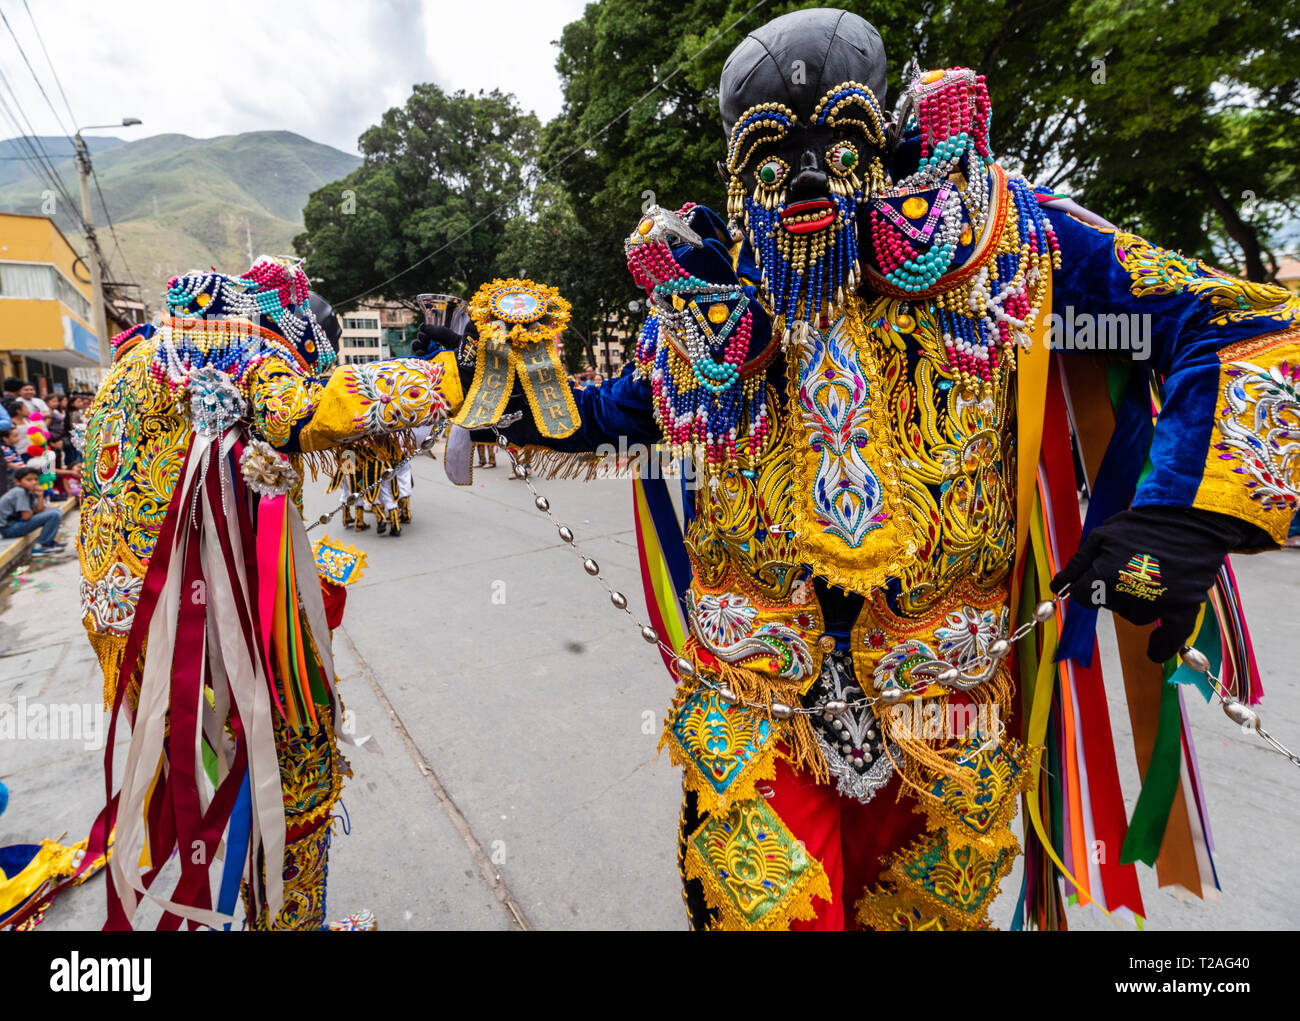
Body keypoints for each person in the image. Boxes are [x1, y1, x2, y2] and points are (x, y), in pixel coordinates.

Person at [417, 8, 1300, 930]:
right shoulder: (709, 298)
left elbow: (1240, 320)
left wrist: (1180, 513)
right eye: (768, 161)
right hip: (753, 689)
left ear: (882, 138)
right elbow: (615, 415)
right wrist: (490, 399)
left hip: (942, 694)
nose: (801, 180)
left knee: (919, 918)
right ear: (735, 170)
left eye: (837, 149)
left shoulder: (1001, 238)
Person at [58, 256, 466, 932]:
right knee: (298, 764)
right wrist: (452, 375)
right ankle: (292, 922)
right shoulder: (245, 348)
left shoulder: (139, 355)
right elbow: (306, 409)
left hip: (129, 628)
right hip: (208, 627)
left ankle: (256, 910)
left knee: (224, 785)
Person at [0, 466, 65, 554]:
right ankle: (43, 545)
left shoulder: (28, 491)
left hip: (15, 525)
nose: (34, 482)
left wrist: (40, 496)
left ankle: (50, 542)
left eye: (35, 479)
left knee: (56, 511)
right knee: (54, 515)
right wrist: (33, 511)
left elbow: (39, 510)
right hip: (8, 529)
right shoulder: (19, 491)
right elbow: (26, 516)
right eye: (29, 480)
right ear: (17, 482)